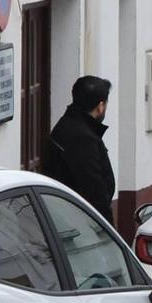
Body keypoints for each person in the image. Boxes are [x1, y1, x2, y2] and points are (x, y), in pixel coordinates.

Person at [42, 75, 116, 221]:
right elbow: (94, 191)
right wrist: (108, 233)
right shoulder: (84, 138)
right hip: (81, 223)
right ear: (100, 106)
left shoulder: (66, 125)